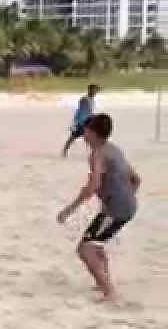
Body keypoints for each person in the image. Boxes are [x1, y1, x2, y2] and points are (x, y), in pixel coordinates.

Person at [56, 113, 141, 303]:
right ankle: (102, 279)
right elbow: (136, 179)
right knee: (95, 243)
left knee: (85, 249)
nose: (83, 135)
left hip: (116, 210)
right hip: (125, 207)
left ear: (93, 133)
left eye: (85, 131)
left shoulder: (98, 155)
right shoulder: (114, 149)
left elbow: (92, 187)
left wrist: (68, 210)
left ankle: (109, 291)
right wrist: (124, 198)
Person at [62, 84, 100, 158]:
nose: (96, 92)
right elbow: (82, 111)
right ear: (90, 90)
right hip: (82, 121)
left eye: (96, 91)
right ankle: (65, 150)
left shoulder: (91, 100)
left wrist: (93, 116)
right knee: (74, 137)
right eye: (94, 90)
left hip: (87, 120)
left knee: (90, 136)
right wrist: (77, 122)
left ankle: (94, 152)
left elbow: (88, 111)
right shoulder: (85, 99)